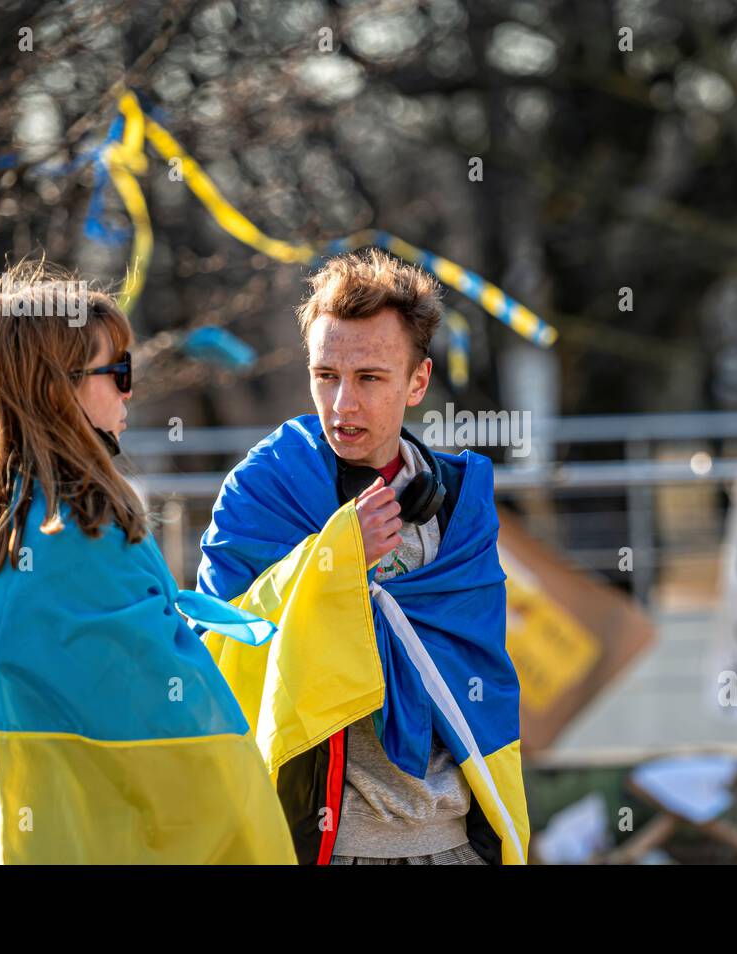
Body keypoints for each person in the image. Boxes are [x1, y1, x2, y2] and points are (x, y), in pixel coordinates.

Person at [0, 260, 295, 864]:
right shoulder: (87, 540)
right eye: (117, 371)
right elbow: (199, 756)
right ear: (54, 389)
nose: (129, 390)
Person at [197, 248, 530, 865]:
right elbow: (216, 650)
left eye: (370, 378)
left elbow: (478, 667)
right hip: (323, 844)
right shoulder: (262, 491)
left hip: (458, 842)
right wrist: (332, 563)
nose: (342, 404)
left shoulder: (461, 507)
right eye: (326, 376)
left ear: (418, 381)